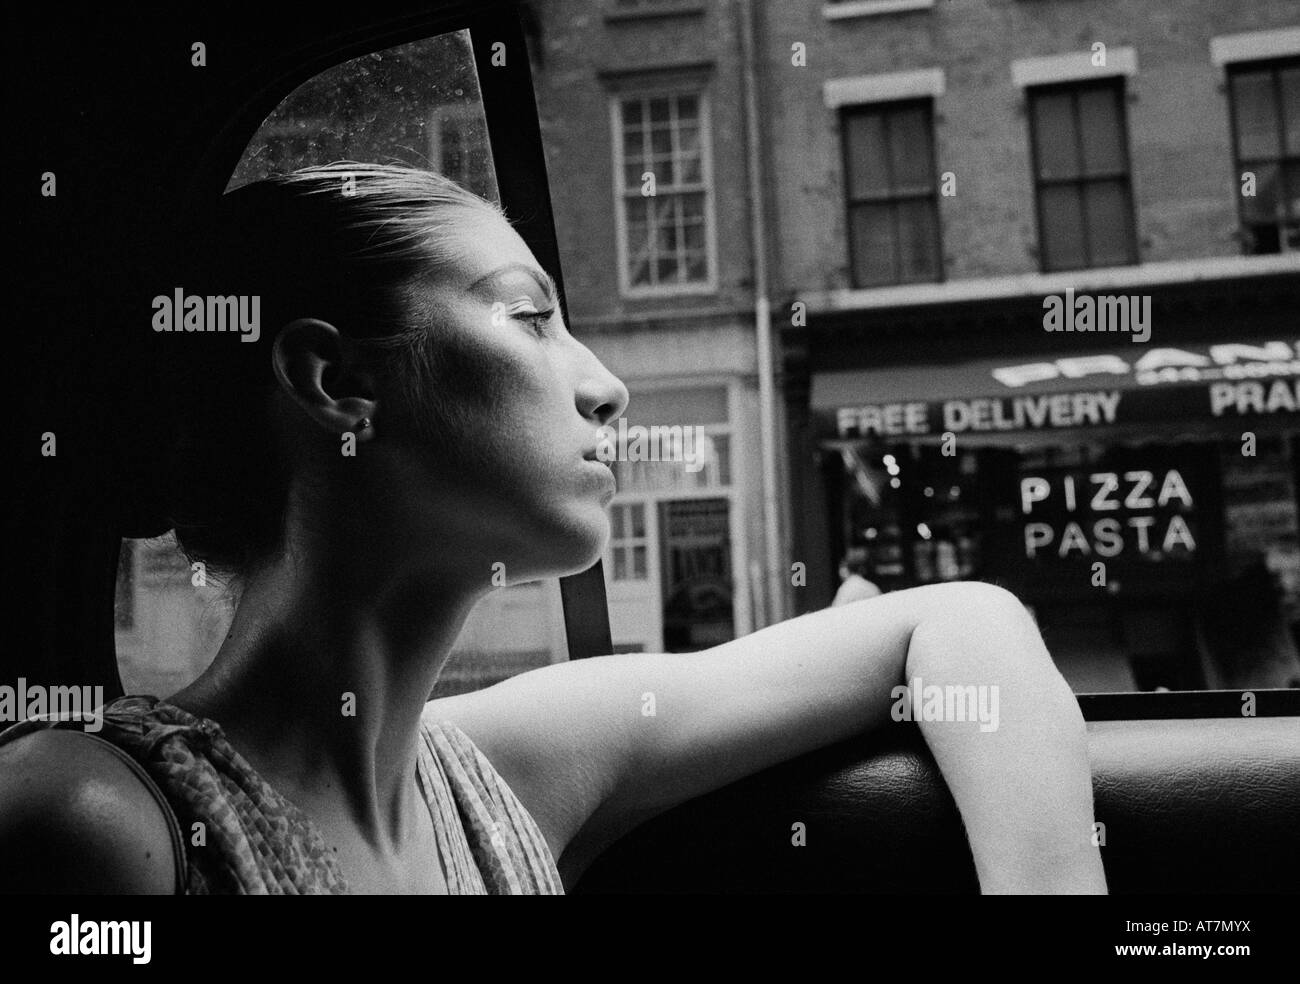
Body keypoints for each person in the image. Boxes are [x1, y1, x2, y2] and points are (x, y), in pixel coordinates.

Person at [0, 163, 1106, 894]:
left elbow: (959, 628)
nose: (610, 386)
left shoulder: (494, 773)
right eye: (531, 317)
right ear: (335, 379)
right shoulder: (92, 821)